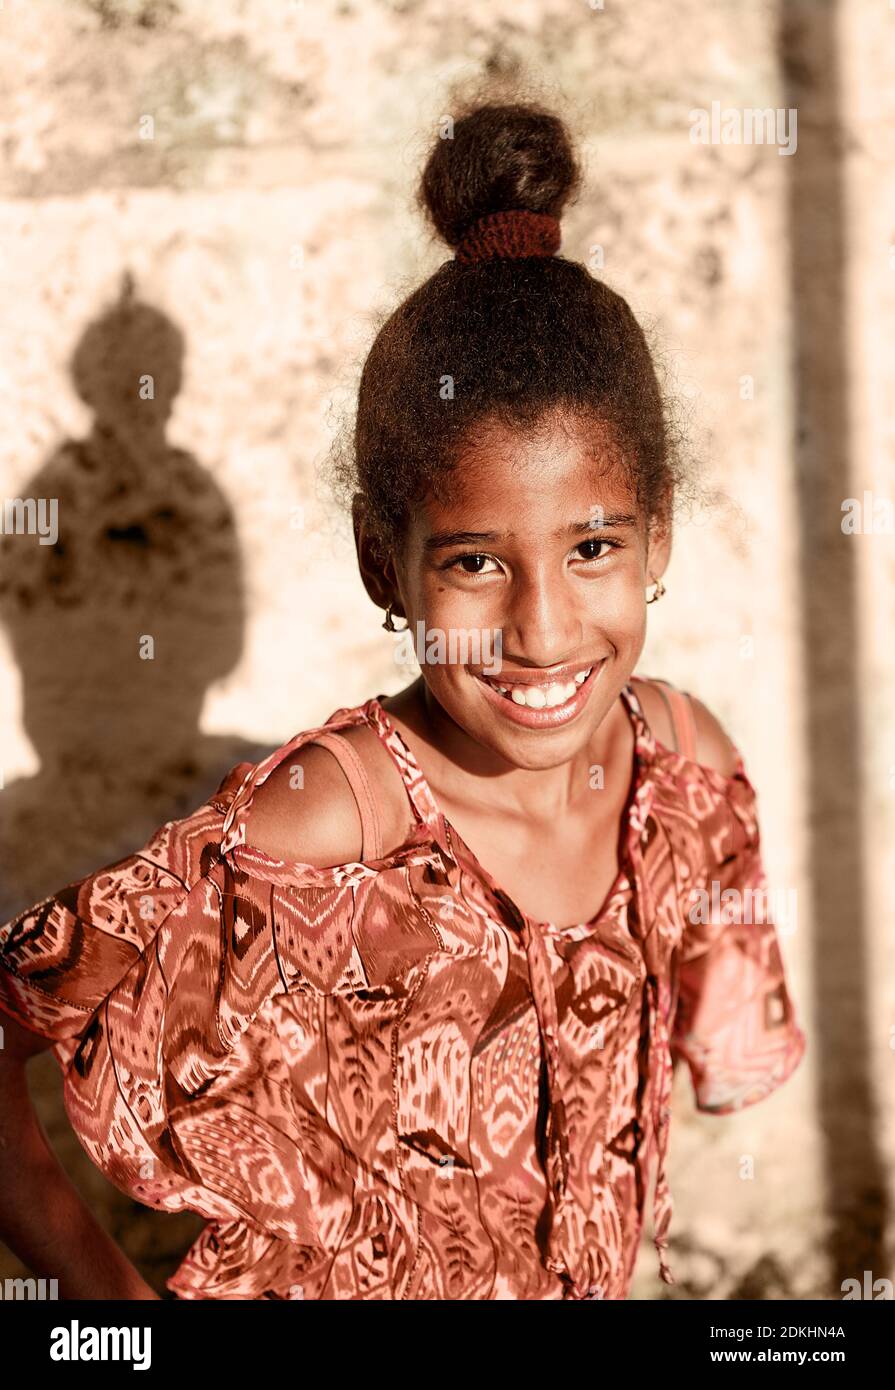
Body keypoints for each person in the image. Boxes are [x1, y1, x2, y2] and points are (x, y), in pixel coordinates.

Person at [0, 99, 805, 1301]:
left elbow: (695, 1073)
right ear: (387, 564)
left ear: (658, 539)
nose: (540, 632)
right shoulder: (322, 834)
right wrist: (110, 1314)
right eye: (475, 561)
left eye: (592, 549)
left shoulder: (685, 776)